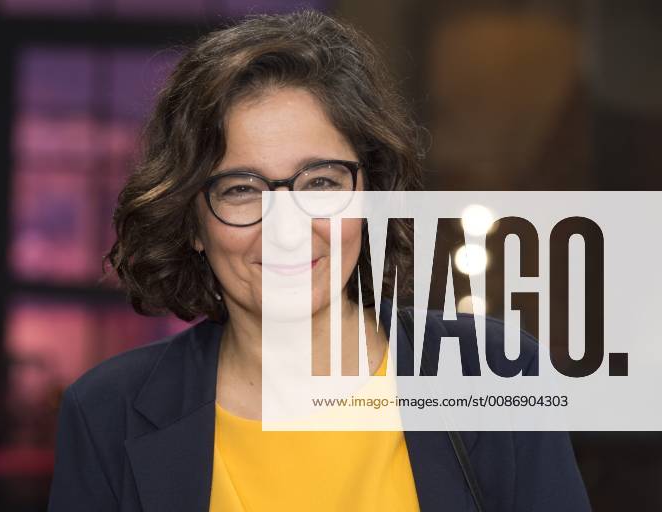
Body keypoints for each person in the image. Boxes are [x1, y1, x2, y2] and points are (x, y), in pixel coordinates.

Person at [48, 10, 591, 512]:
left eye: (322, 182)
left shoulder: (492, 371)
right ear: (192, 221)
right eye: (243, 189)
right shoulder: (105, 415)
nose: (287, 227)